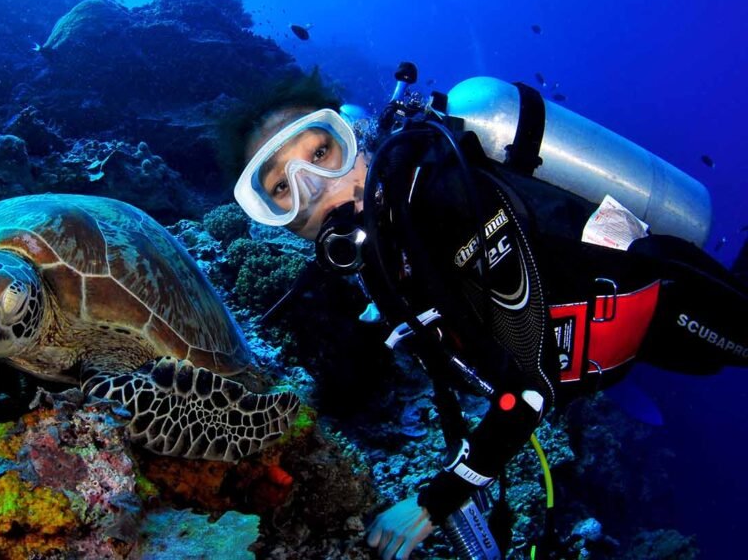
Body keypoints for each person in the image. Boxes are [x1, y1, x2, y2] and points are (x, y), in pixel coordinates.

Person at [218, 68, 748, 560]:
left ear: (356, 137)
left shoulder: (441, 196)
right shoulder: (386, 249)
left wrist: (434, 503)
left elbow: (532, 384)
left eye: (322, 152)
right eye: (283, 189)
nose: (315, 188)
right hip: (621, 343)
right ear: (275, 220)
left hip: (665, 297)